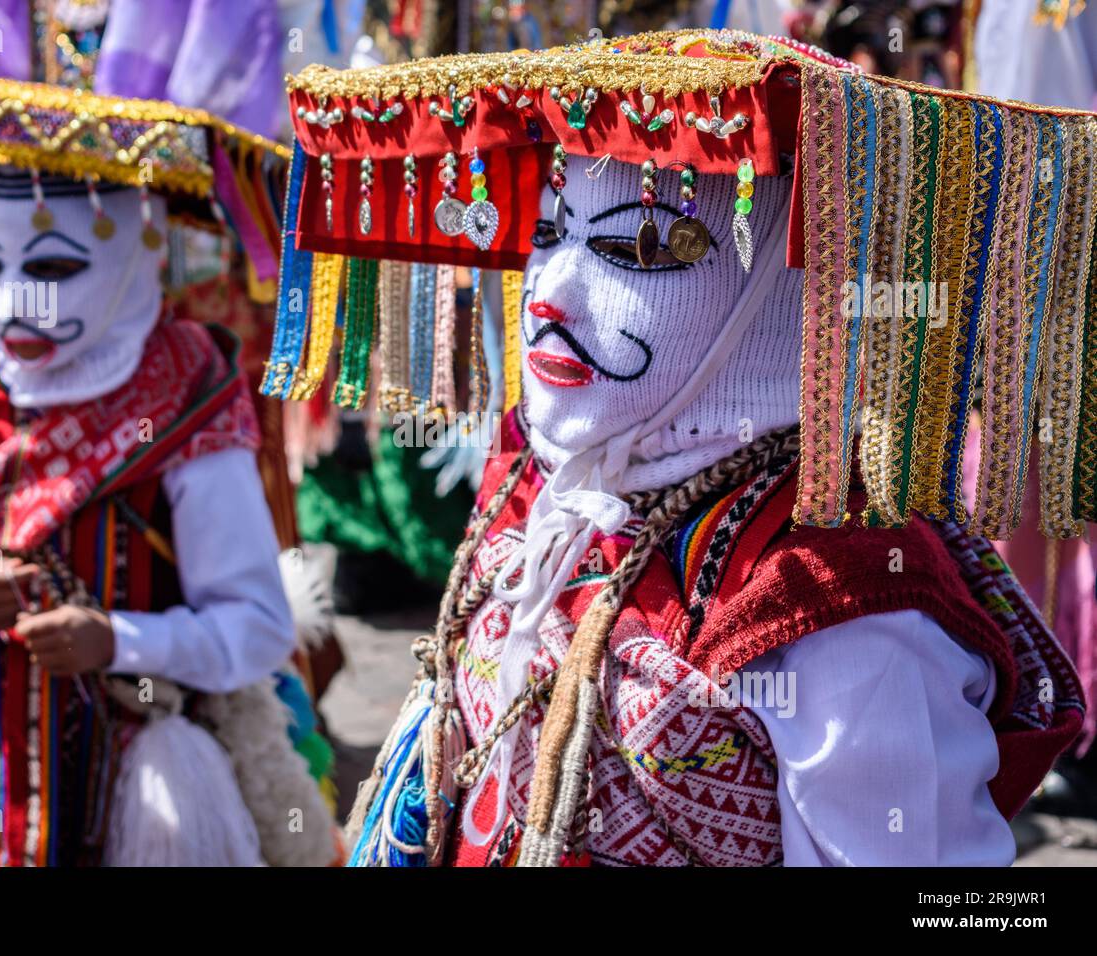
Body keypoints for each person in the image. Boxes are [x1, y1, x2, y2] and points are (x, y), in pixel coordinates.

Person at [264, 27, 1087, 866]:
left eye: (641, 247)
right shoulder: (540, 476)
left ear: (775, 288)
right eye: (547, 234)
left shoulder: (838, 598)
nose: (549, 294)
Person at [0, 0, 337, 867]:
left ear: (133, 257)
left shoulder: (187, 407)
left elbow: (255, 627)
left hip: (131, 793)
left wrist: (117, 642)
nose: (14, 303)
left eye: (53, 268)